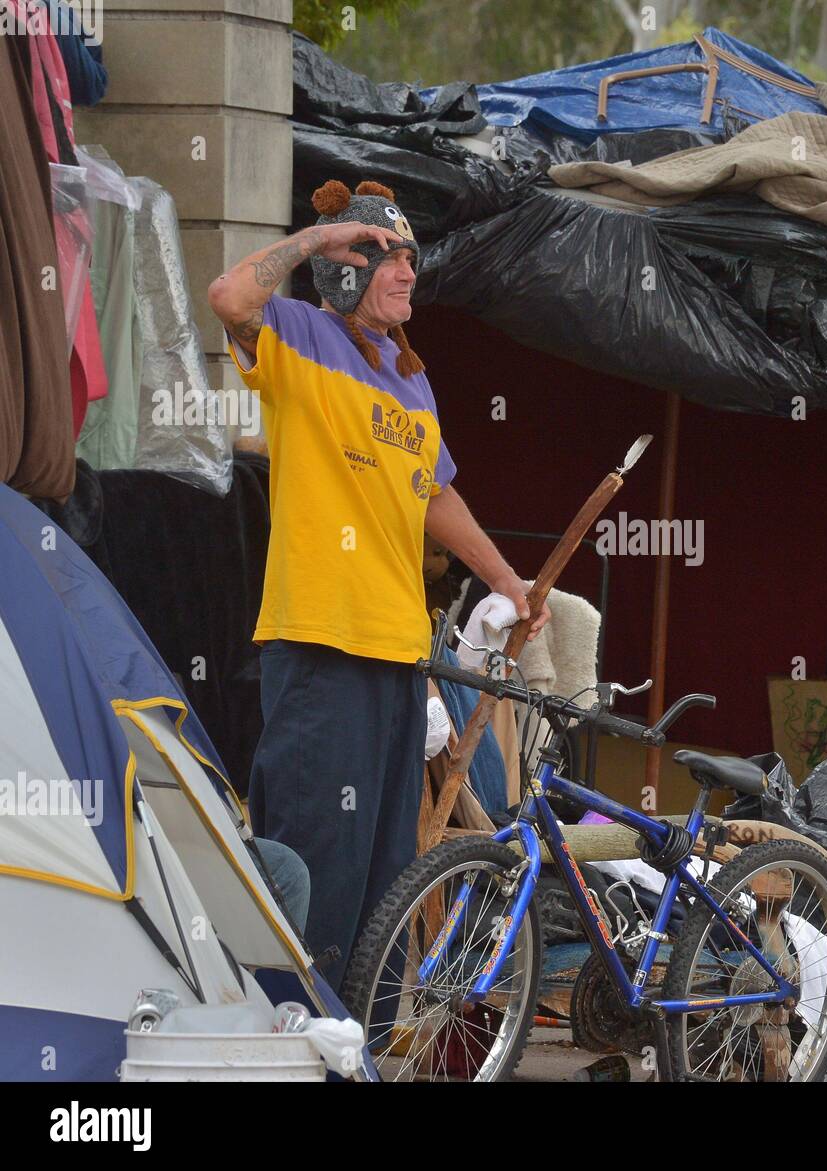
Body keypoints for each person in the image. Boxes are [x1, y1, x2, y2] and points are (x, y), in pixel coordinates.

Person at [207, 177, 550, 985]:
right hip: (321, 642)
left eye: (410, 257)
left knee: (390, 881)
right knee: (315, 868)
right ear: (347, 270)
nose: (407, 272)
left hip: (401, 654)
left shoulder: (412, 379)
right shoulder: (297, 335)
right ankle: (294, 1038)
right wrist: (317, 240)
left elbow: (433, 490)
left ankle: (360, 1044)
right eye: (388, 256)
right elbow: (227, 294)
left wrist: (509, 580)